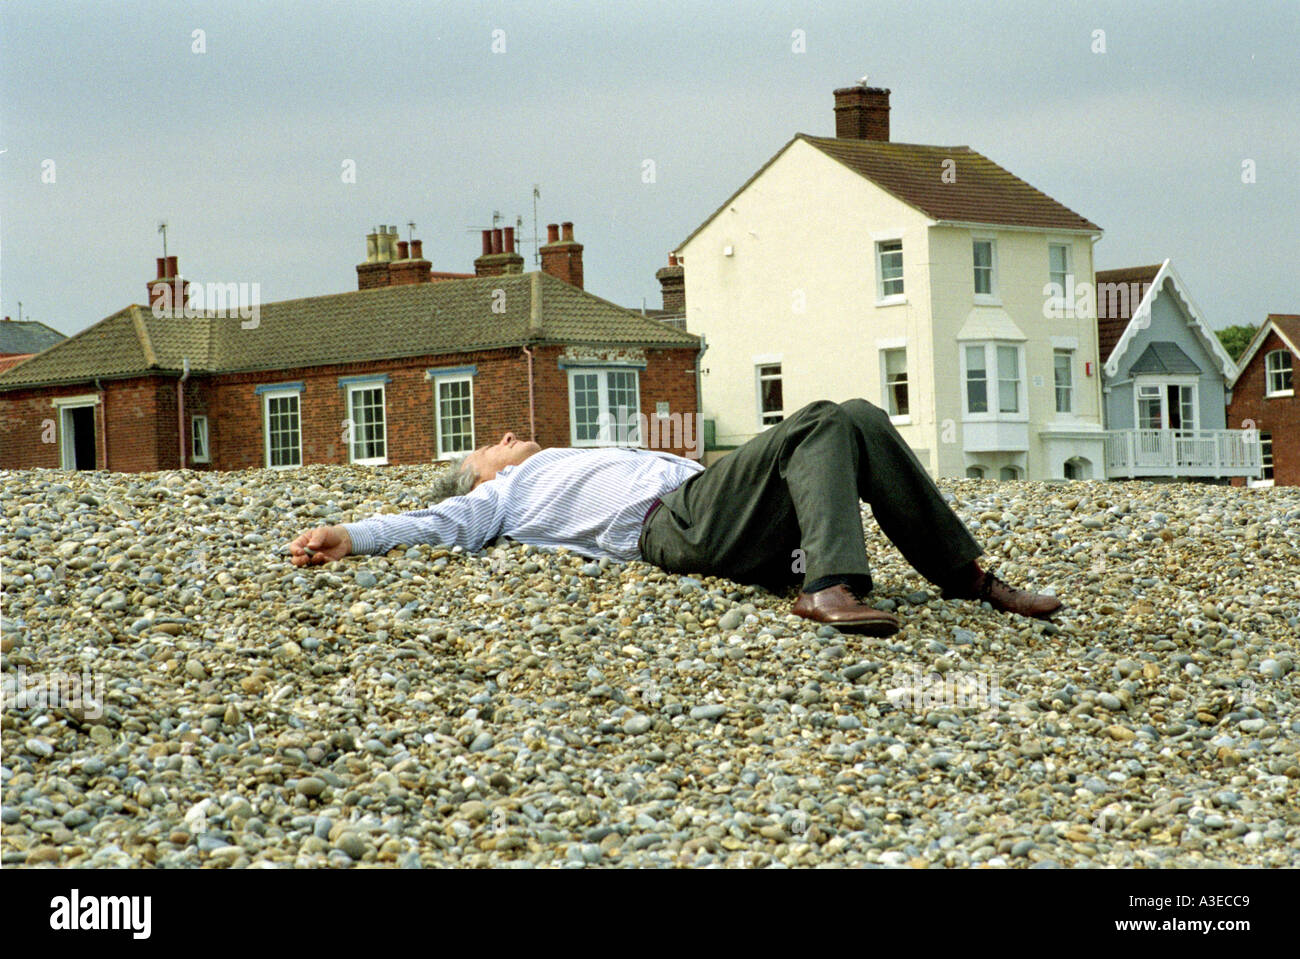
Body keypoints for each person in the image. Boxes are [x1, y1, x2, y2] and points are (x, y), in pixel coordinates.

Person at [287, 399, 1061, 636]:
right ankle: (829, 586)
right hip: (677, 524)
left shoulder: (570, 451)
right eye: (490, 445)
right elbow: (430, 523)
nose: (503, 438)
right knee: (823, 419)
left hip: (727, 508)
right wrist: (348, 536)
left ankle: (965, 575)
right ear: (482, 476)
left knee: (854, 415)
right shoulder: (502, 496)